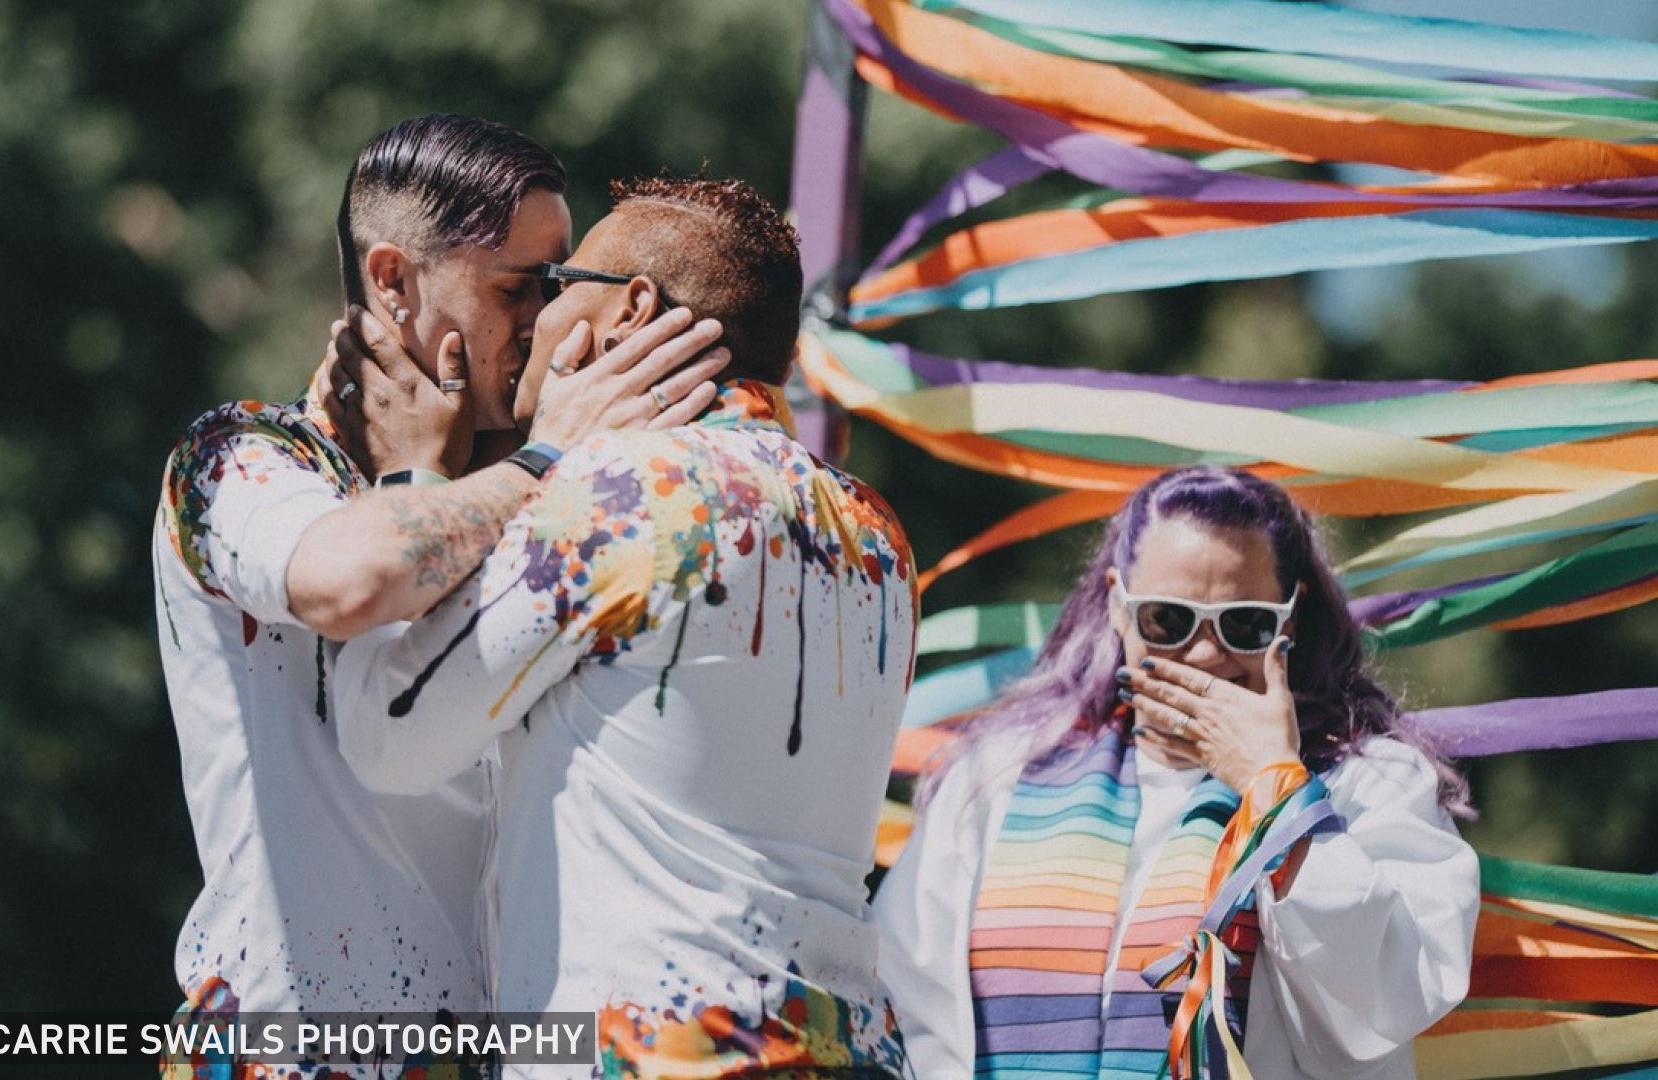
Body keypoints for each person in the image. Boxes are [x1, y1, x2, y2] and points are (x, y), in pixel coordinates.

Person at [151, 112, 726, 1063]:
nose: (548, 318)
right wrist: (549, 460)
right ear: (392, 280)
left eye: (558, 285)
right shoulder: (240, 459)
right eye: (519, 287)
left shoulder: (534, 494)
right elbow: (353, 579)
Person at [330, 176, 920, 1079]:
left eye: (559, 285)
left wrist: (412, 486)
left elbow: (387, 739)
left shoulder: (626, 492)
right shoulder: (875, 530)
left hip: (662, 1054)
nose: (533, 318)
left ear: (630, 307)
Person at [874, 465, 1479, 1080]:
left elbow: (1384, 1003)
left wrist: (1274, 786)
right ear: (1117, 607)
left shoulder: (1366, 786)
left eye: (1245, 624)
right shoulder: (996, 777)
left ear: (1289, 621)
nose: (1205, 654)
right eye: (1169, 620)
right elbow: (902, 1002)